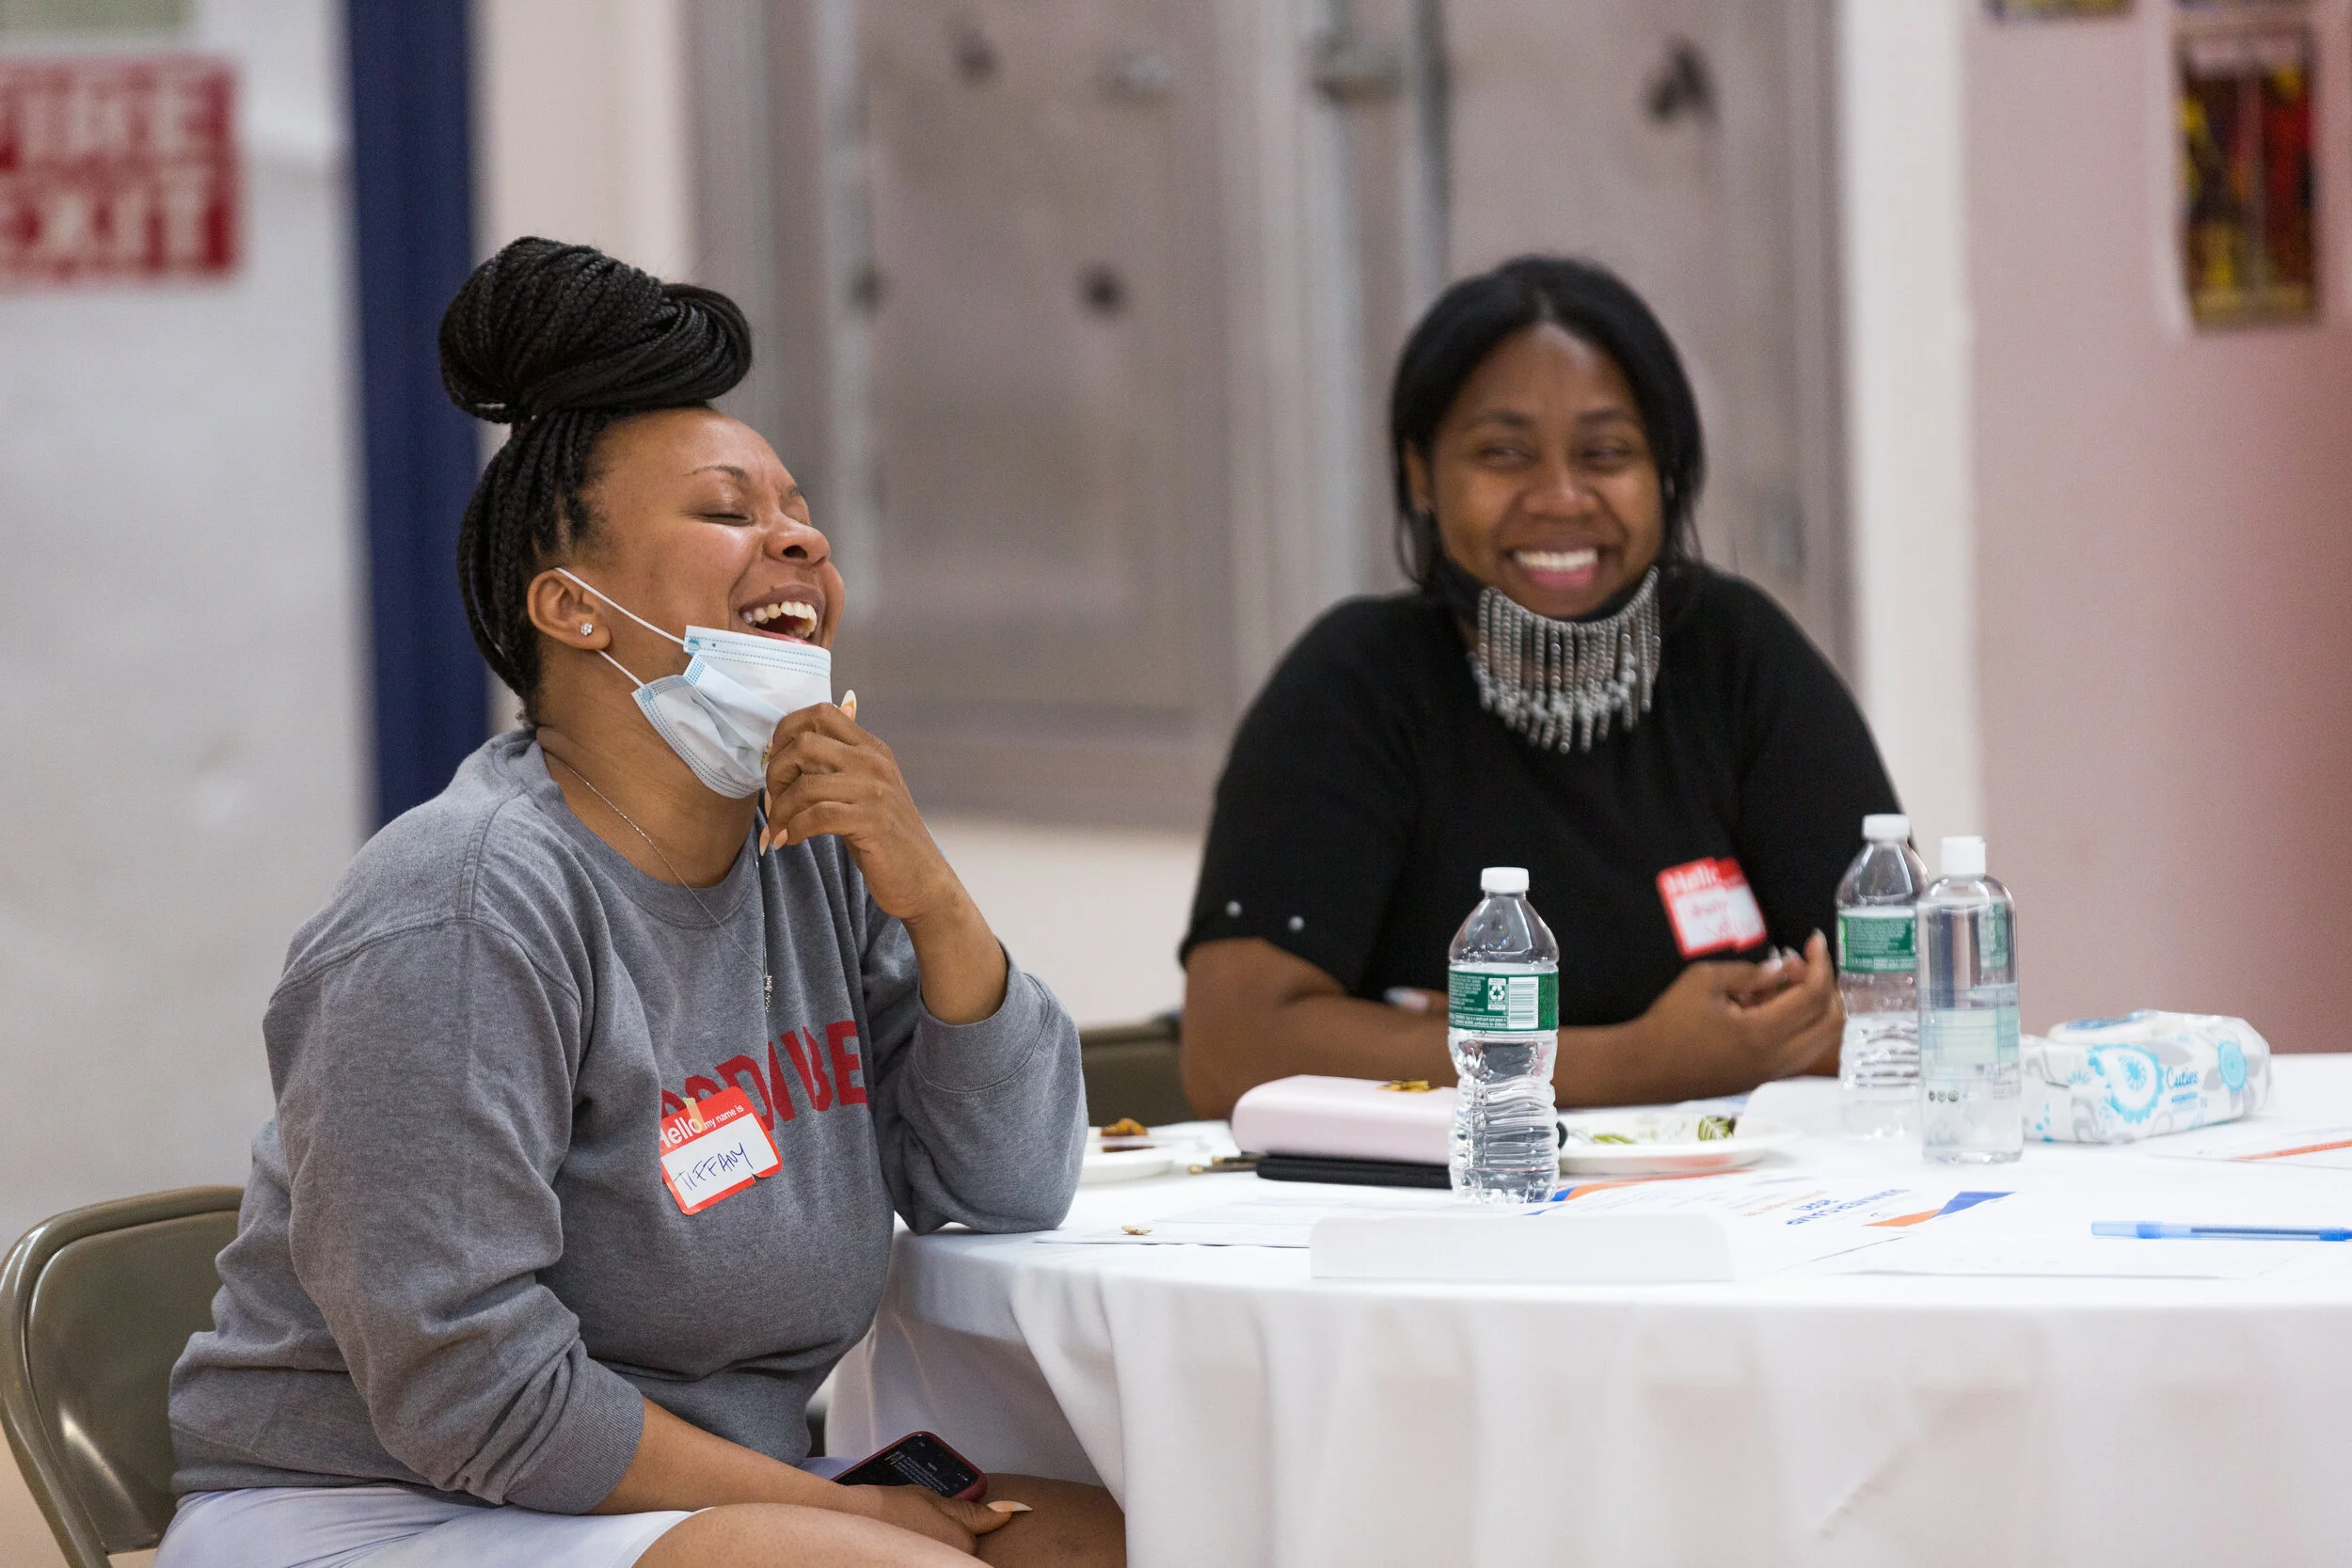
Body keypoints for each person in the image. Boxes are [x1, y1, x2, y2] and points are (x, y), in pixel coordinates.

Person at [158, 240, 1124, 1568]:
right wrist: (839, 1510)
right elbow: (470, 1390)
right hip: (389, 1501)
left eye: (798, 509)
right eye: (729, 509)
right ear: (575, 608)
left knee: (1156, 1528)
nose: (799, 537)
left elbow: (1004, 1185)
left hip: (714, 1486)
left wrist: (935, 893)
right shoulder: (466, 899)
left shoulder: (813, 854)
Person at [1181, 255, 1899, 1120]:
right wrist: (1642, 1061)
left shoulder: (1734, 654)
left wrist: (1449, 1046)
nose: (1560, 498)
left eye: (1607, 452)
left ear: (1665, 470)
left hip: (1750, 1212)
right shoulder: (1355, 685)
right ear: (1420, 473)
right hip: (1442, 1223)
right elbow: (1232, 1052)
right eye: (1503, 454)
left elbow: (1897, 1005)